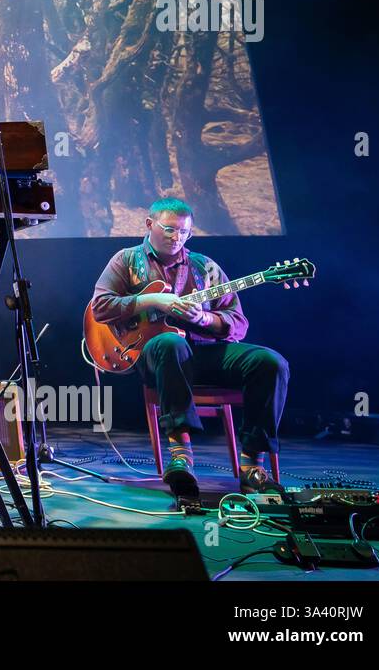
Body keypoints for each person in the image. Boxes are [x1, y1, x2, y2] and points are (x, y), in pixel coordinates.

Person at [91, 197, 289, 498]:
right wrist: (152, 300)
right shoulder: (127, 260)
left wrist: (206, 318)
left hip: (204, 353)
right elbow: (100, 307)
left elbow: (237, 322)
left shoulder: (204, 267)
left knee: (270, 362)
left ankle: (253, 466)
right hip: (155, 356)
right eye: (169, 229)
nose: (176, 238)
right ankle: (181, 455)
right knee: (172, 342)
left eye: (184, 232)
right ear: (149, 225)